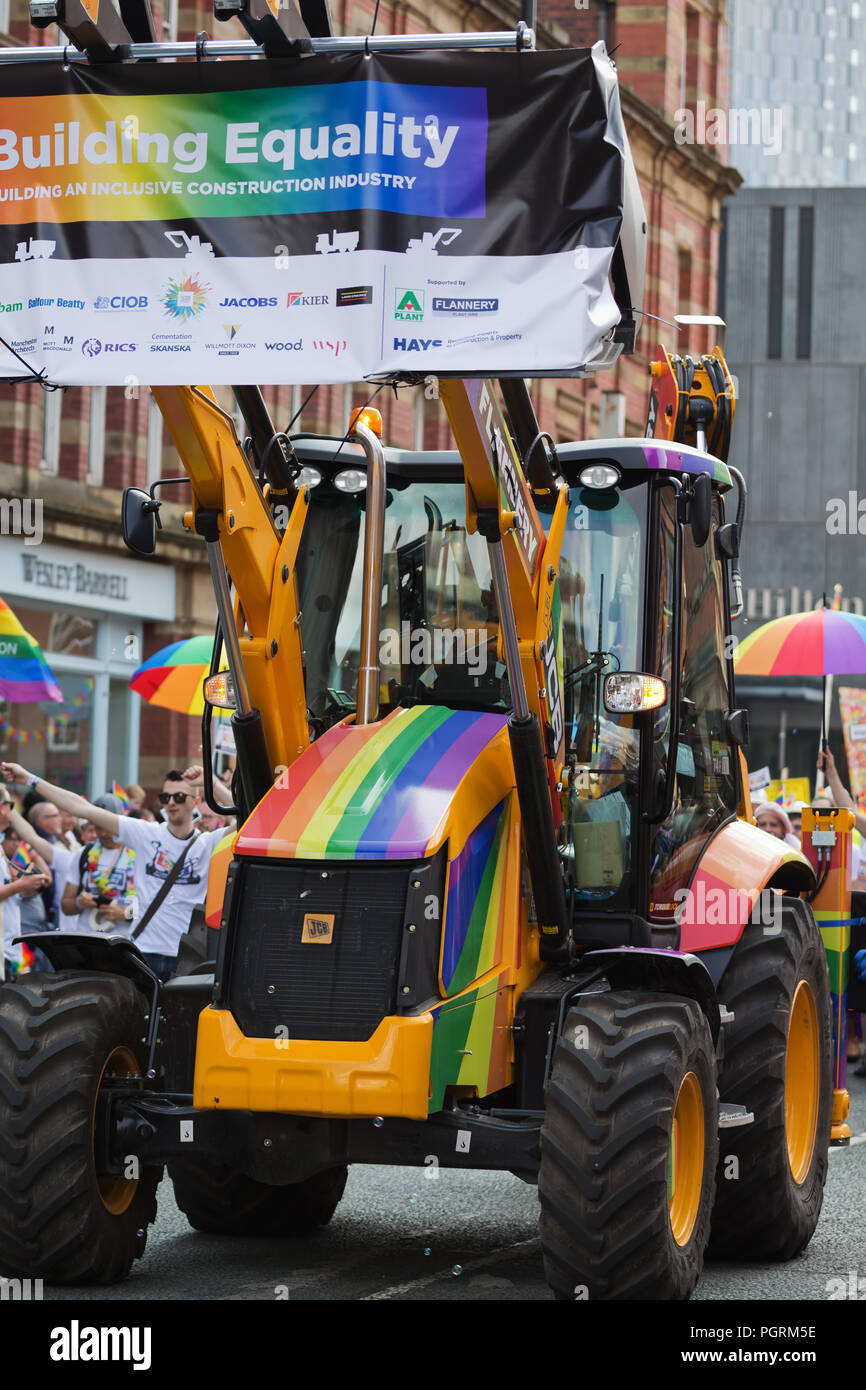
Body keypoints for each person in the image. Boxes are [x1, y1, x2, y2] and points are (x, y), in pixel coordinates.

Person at [1, 761, 234, 983]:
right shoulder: (146, 833)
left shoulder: (209, 842)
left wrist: (212, 783)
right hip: (142, 952)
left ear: (196, 801)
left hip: (186, 957)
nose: (171, 803)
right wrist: (28, 779)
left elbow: (249, 818)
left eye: (179, 797)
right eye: (165, 797)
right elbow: (81, 808)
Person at [60, 794, 137, 937]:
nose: (102, 833)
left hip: (123, 941)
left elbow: (156, 907)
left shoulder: (138, 853)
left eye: (108, 826)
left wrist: (127, 914)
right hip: (87, 939)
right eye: (97, 826)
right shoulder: (84, 854)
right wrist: (80, 903)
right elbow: (66, 905)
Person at [0, 789, 51, 979]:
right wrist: (21, 884)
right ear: (3, 807)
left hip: (8, 950)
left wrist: (21, 883)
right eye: (11, 805)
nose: (13, 812)